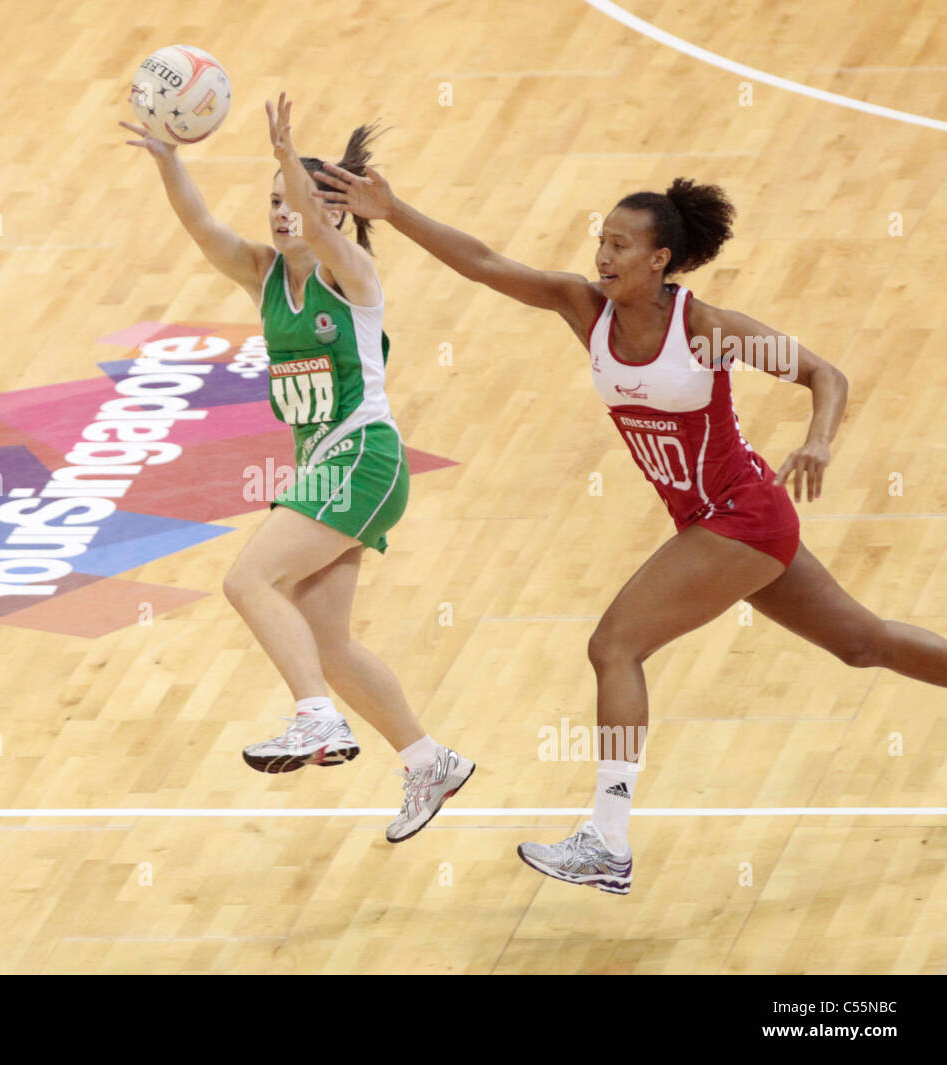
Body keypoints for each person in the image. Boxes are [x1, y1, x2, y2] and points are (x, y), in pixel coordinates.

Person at [314, 164, 947, 890]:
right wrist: (394, 212)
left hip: (742, 515)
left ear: (660, 261)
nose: (603, 257)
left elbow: (824, 374)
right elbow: (487, 264)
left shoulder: (706, 329)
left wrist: (820, 439)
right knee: (863, 643)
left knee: (614, 645)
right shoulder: (585, 310)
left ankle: (606, 839)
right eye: (601, 241)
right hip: (716, 523)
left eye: (620, 245)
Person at [120, 94, 474, 843]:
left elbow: (318, 225)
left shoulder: (352, 277)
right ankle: (426, 758)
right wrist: (170, 161)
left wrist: (289, 159)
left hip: (362, 457)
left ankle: (312, 717)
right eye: (274, 202)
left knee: (246, 580)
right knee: (329, 645)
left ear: (334, 213)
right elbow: (201, 227)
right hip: (325, 466)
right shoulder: (264, 275)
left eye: (298, 204)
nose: (283, 214)